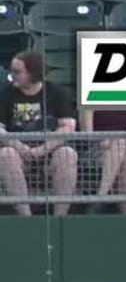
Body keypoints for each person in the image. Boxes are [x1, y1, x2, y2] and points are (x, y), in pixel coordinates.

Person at [0, 52, 79, 217]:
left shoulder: (56, 93)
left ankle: (60, 218)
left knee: (67, 155)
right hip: (18, 152)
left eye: (17, 72)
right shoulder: (6, 93)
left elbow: (68, 126)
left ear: (33, 73)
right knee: (6, 154)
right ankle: (26, 217)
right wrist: (19, 146)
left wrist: (41, 150)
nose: (12, 76)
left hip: (49, 151)